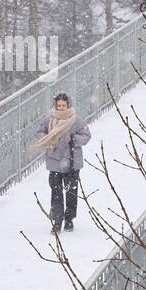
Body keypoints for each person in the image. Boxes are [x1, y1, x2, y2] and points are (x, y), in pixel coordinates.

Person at [29, 92, 91, 235]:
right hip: (54, 161)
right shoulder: (49, 119)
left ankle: (69, 219)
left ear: (68, 105)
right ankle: (57, 221)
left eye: (63, 105)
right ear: (55, 105)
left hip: (71, 162)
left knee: (71, 192)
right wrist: (48, 139)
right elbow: (39, 132)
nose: (61, 108)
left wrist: (73, 139)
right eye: (59, 105)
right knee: (56, 192)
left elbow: (86, 135)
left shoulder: (75, 120)